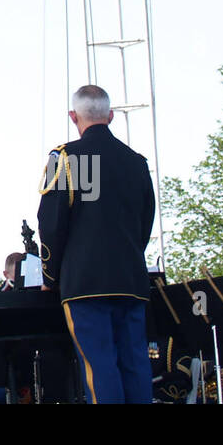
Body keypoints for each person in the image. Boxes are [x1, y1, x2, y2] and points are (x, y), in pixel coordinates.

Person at [38, 84, 155, 404]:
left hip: (86, 283)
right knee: (135, 364)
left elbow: (51, 224)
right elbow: (146, 220)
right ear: (111, 116)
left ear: (73, 116)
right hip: (131, 280)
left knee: (99, 366)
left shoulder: (63, 157)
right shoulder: (137, 162)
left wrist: (50, 278)